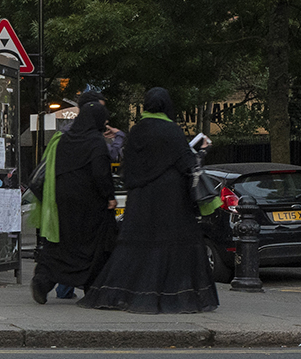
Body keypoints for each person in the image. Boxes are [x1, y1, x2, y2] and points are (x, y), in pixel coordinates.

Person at [78, 87, 218, 314]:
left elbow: (128, 166)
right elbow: (187, 164)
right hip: (171, 200)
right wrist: (202, 151)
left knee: (138, 246)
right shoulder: (171, 130)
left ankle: (125, 294)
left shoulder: (137, 131)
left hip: (141, 199)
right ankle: (177, 296)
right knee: (173, 245)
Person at [29, 100, 117, 304]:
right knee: (94, 247)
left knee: (62, 243)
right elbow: (100, 173)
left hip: (63, 201)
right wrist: (109, 196)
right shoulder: (95, 142)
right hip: (90, 204)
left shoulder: (64, 139)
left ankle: (43, 280)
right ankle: (92, 285)